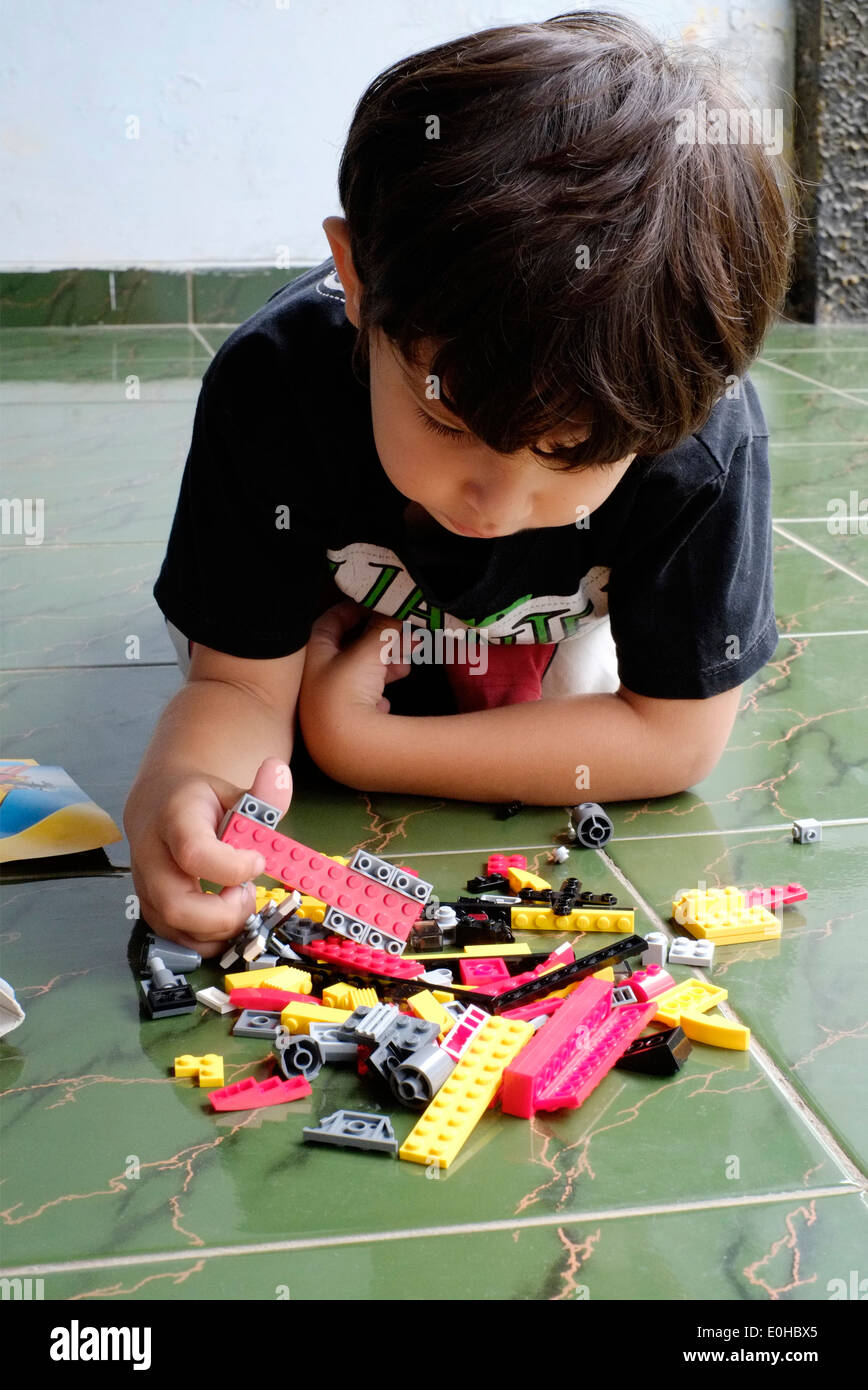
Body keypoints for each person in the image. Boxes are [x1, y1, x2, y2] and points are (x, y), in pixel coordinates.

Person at [124, 11, 794, 952]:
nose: (495, 505)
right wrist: (177, 790)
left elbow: (673, 737)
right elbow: (236, 690)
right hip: (332, 612)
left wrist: (355, 743)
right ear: (357, 284)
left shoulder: (695, 437)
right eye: (447, 422)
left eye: (571, 459)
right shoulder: (275, 390)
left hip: (415, 669)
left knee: (558, 681)